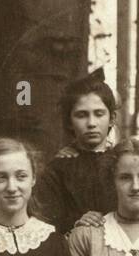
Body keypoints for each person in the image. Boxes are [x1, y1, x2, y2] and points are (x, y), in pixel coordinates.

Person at [33, 71, 118, 236]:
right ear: (69, 122)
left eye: (99, 114)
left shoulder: (122, 162)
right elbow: (48, 217)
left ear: (112, 118)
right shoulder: (58, 168)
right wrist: (76, 220)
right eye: (81, 115)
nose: (91, 123)